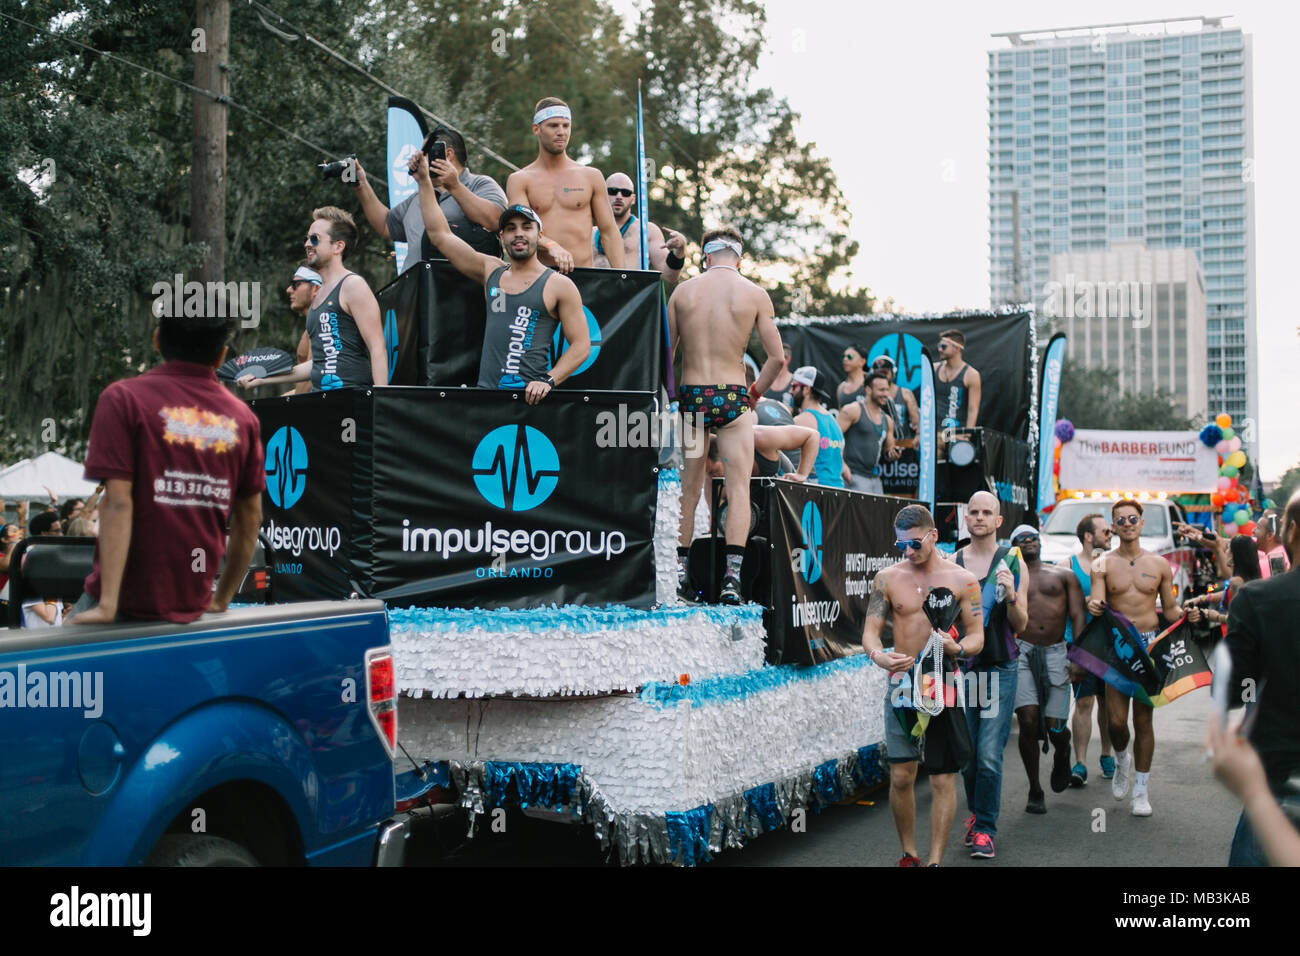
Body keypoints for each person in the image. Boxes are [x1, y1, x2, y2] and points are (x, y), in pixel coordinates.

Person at [67, 310, 265, 625]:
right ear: (221, 356)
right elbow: (249, 520)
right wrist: (222, 599)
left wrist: (107, 604)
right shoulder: (242, 419)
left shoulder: (122, 399)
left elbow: (117, 503)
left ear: (157, 341)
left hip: (117, 605)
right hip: (192, 609)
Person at [863, 504, 984, 867]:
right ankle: (909, 854)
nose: (908, 552)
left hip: (941, 682)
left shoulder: (964, 580)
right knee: (901, 774)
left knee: (942, 778)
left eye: (915, 544)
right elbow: (869, 632)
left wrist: (958, 647)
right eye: (901, 545)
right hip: (901, 683)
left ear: (933, 535)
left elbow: (978, 636)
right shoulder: (886, 577)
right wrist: (878, 656)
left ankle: (934, 861)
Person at [669, 225, 783, 604]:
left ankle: (681, 578)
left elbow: (666, 357)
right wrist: (755, 393)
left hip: (692, 396)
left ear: (705, 255)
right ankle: (732, 580)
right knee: (737, 491)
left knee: (688, 492)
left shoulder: (683, 292)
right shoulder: (754, 294)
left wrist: (673, 399)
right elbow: (777, 358)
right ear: (739, 256)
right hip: (733, 396)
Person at [416, 152, 590, 399]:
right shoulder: (491, 271)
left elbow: (582, 344)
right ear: (502, 237)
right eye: (510, 229)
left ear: (539, 236)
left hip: (529, 402)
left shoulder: (559, 285)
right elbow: (440, 235)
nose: (518, 234)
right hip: (486, 398)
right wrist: (424, 181)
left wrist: (549, 380)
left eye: (526, 227)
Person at [1218, 490, 1300, 865]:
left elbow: (1242, 684)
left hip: (1276, 768)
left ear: (1292, 532)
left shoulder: (1255, 599)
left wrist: (1247, 708)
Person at [1086, 498, 1181, 817]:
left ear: (1141, 523)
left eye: (1132, 519)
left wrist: (1187, 614)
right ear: (1113, 526)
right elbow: (1097, 599)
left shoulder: (1159, 565)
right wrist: (1093, 605)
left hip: (1149, 647)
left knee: (1144, 719)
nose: (1127, 524)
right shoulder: (1102, 564)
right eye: (1120, 520)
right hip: (1118, 646)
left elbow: (1169, 610)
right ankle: (1122, 757)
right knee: (1115, 723)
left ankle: (1141, 789)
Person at [952, 490, 1029, 859]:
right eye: (974, 512)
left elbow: (1022, 624)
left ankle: (985, 827)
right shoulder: (951, 562)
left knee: (987, 754)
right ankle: (976, 814)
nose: (980, 517)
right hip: (964, 671)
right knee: (966, 755)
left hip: (1000, 667)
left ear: (999, 521)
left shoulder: (1012, 561)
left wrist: (1011, 594)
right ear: (965, 518)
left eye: (987, 513)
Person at [237, 208, 388, 392]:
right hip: (322, 403)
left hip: (352, 399)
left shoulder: (353, 286)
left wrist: (381, 400)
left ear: (338, 247)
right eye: (306, 239)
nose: (308, 244)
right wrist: (262, 378)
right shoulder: (318, 295)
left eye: (315, 238)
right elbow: (317, 363)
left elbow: (377, 348)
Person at [351, 127, 507, 268]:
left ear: (447, 154)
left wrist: (455, 186)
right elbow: (386, 225)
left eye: (424, 153)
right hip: (416, 290)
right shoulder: (419, 196)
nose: (418, 158)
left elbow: (495, 220)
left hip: (461, 289)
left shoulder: (479, 184)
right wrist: (362, 185)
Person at [1010, 524, 1084, 813]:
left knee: (1055, 727)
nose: (1028, 541)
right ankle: (1034, 789)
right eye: (1021, 539)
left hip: (1057, 652)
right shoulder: (1011, 578)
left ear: (1040, 542)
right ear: (1014, 546)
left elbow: (1078, 615)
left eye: (1033, 538)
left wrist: (1078, 657)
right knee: (1027, 721)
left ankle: (1063, 751)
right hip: (1023, 652)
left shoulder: (1063, 575)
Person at [507, 98, 624, 271]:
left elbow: (609, 232)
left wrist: (625, 279)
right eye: (553, 126)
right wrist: (551, 245)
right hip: (538, 279)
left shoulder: (591, 176)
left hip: (583, 278)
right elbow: (521, 231)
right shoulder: (520, 180)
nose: (561, 132)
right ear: (536, 129)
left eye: (566, 125)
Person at [1060, 512, 1115, 785]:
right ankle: (1079, 763)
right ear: (1088, 536)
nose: (1111, 534)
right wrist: (1087, 599)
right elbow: (1057, 604)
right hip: (1079, 642)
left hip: (1109, 644)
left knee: (1107, 703)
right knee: (1084, 702)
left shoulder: (1111, 564)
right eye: (1105, 531)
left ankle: (1107, 754)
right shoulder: (1067, 565)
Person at [591, 172, 686, 280]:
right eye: (612, 191)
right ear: (603, 195)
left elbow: (670, 275)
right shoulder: (590, 233)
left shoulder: (646, 231)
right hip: (593, 294)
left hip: (629, 295)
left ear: (633, 199)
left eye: (625, 193)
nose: (619, 196)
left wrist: (680, 249)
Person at [837, 371, 899, 494]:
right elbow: (832, 438)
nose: (885, 394)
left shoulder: (887, 419)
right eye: (881, 390)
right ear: (868, 390)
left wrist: (894, 453)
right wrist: (842, 465)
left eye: (887, 389)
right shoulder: (853, 410)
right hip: (854, 476)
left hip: (875, 479)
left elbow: (889, 449)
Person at [791, 367, 848, 489]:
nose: (790, 391)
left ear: (806, 389)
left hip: (818, 492)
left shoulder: (802, 420)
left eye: (794, 386)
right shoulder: (833, 421)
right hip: (838, 489)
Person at [933, 329, 981, 432]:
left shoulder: (971, 375)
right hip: (933, 434)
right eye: (939, 346)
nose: (940, 349)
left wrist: (967, 434)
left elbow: (973, 409)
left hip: (955, 434)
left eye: (944, 347)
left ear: (957, 348)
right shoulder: (934, 369)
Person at [284, 265, 322, 396]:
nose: (289, 290)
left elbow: (314, 375)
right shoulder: (311, 326)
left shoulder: (320, 322)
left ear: (316, 288)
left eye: (296, 285)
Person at [872, 354, 920, 448]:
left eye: (885, 373)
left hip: (902, 444)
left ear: (893, 373)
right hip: (878, 445)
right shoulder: (869, 394)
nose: (882, 378)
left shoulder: (905, 393)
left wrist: (918, 435)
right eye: (878, 375)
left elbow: (916, 422)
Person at [1254, 510, 1291, 579]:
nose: (1253, 531)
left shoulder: (1274, 559)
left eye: (1258, 528)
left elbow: (1277, 587)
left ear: (1269, 535)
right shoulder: (1286, 552)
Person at [836, 344, 869, 408]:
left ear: (862, 361)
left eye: (850, 356)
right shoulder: (841, 388)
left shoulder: (870, 383)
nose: (845, 359)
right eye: (843, 356)